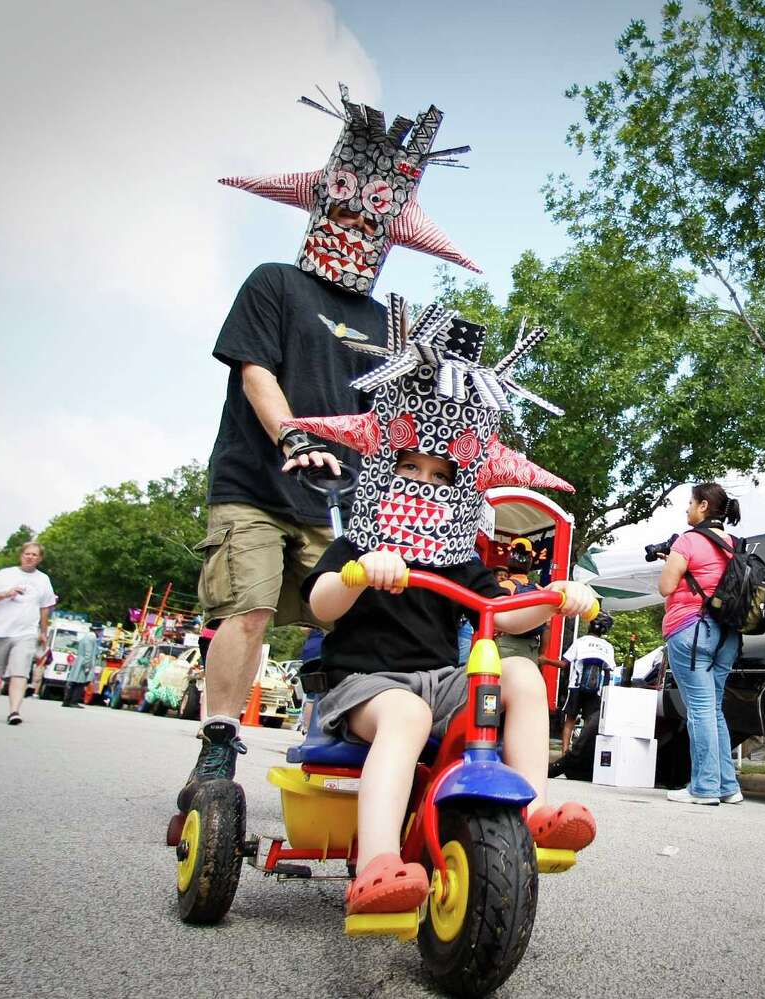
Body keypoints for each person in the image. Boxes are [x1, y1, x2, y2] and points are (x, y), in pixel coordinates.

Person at [177, 83, 479, 812]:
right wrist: (292, 434)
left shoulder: (388, 323)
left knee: (365, 607)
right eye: (343, 209)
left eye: (371, 217)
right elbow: (255, 370)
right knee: (250, 609)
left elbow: (408, 416)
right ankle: (218, 741)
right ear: (319, 205)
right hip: (257, 484)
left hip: (344, 500)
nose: (353, 226)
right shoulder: (274, 285)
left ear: (392, 232)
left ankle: (351, 729)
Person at [284, 300, 594, 917]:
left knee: (521, 673)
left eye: (438, 473)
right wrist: (359, 574)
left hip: (439, 680)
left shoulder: (455, 555)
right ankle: (377, 864)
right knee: (405, 716)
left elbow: (504, 614)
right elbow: (321, 605)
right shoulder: (359, 541)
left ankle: (533, 807)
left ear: (458, 484)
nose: (422, 482)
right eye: (408, 466)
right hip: (365, 683)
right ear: (383, 467)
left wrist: (557, 598)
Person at [656, 482, 745, 806]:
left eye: (691, 503)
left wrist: (671, 561)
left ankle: (704, 787)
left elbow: (666, 587)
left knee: (700, 709)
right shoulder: (734, 544)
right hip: (727, 634)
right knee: (713, 708)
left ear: (704, 506)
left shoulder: (689, 540)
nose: (687, 509)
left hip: (691, 629)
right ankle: (727, 786)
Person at [0, 542, 56, 725]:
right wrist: (6, 594)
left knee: (20, 672)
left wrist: (43, 632)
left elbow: (45, 607)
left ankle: (14, 711)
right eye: (27, 554)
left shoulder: (43, 580)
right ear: (21, 555)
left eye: (35, 555)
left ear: (40, 558)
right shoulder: (5, 574)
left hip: (25, 633)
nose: (30, 557)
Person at [557, 612, 616, 756]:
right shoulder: (608, 647)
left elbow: (564, 664)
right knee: (589, 722)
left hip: (576, 687)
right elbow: (608, 671)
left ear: (590, 625)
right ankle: (580, 752)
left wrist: (545, 660)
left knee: (570, 720)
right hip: (596, 691)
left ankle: (565, 753)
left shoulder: (581, 641)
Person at [495, 539, 545, 661]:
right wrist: (541, 653)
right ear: (530, 562)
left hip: (505, 645)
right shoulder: (540, 590)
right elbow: (547, 625)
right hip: (531, 648)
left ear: (509, 559)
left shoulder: (503, 586)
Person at [60, 626, 100, 708]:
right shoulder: (91, 638)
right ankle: (73, 702)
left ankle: (66, 701)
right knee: (80, 683)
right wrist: (87, 665)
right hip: (84, 662)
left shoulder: (86, 636)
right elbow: (88, 653)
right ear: (97, 630)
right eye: (99, 631)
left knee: (74, 682)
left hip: (79, 660)